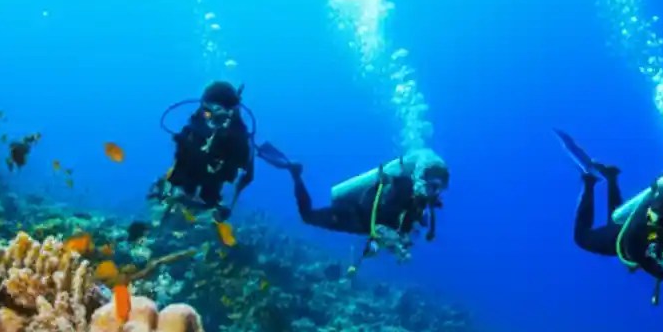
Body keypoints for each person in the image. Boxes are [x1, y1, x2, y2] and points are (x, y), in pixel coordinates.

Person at [556, 129, 663, 306]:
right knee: (582, 237)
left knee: (617, 221)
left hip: (638, 232)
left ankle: (610, 177)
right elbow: (633, 244)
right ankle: (589, 181)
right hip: (633, 237)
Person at [257, 143, 448, 262]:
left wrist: (399, 244)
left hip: (361, 224)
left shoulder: (420, 206)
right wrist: (393, 241)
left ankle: (294, 172)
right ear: (422, 179)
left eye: (439, 188)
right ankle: (295, 173)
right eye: (433, 185)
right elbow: (384, 216)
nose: (435, 192)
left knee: (308, 217)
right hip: (354, 213)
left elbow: (399, 229)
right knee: (307, 216)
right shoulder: (404, 185)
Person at [149, 81, 255, 221]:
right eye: (207, 113)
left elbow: (246, 176)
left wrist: (230, 206)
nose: (212, 120)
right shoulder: (193, 129)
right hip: (191, 175)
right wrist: (168, 185)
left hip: (216, 182)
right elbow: (180, 158)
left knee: (210, 197)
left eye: (220, 116)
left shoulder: (239, 139)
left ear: (231, 113)